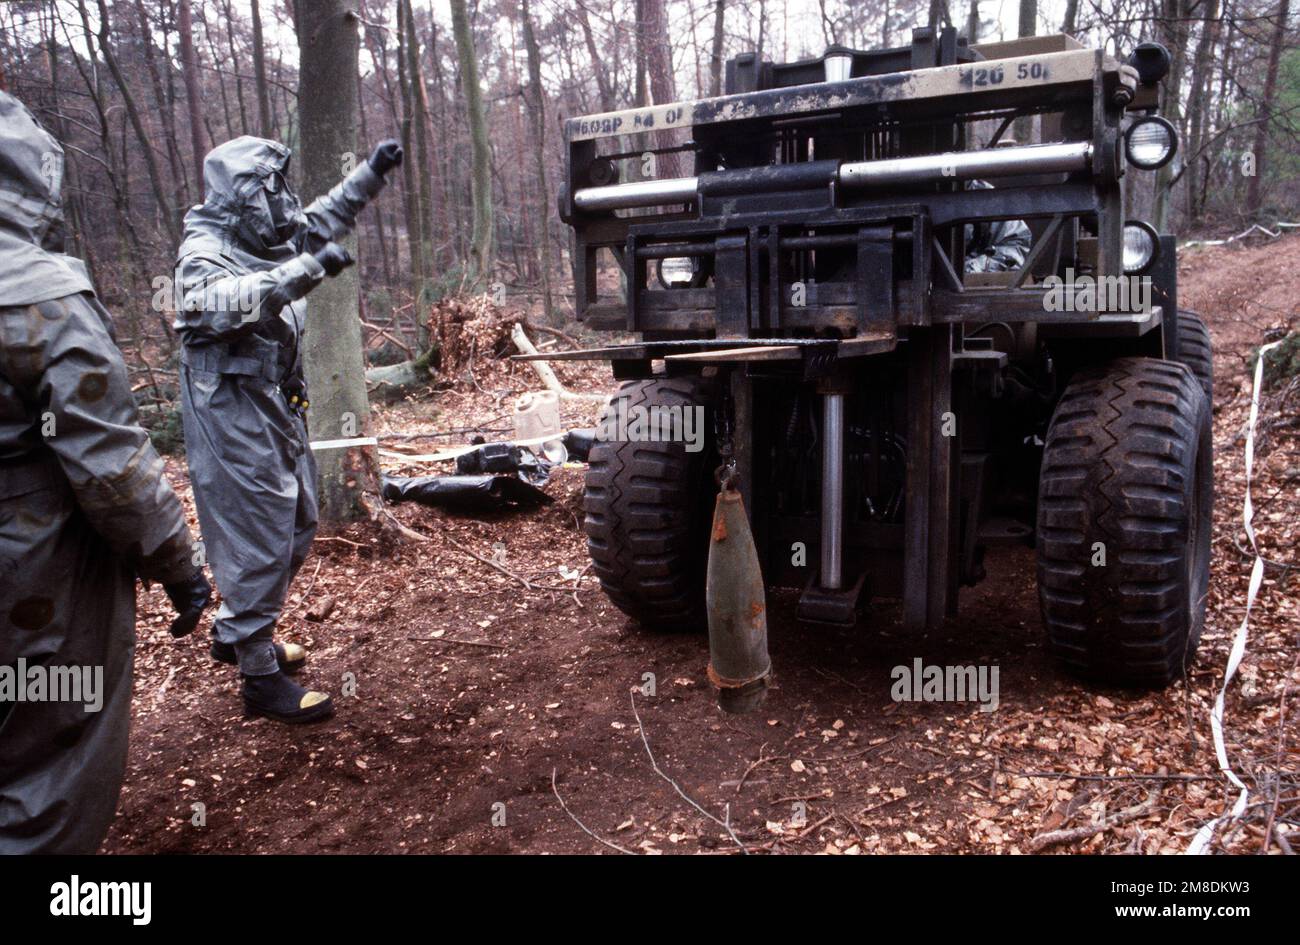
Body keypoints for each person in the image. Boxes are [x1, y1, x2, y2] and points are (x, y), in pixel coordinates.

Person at [0, 92, 211, 853]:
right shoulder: (40, 295)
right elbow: (110, 466)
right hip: (36, 587)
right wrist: (177, 564)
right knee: (46, 766)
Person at [174, 136, 401, 724]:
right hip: (228, 407)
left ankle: (238, 633)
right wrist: (304, 271)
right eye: (268, 189)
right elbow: (221, 303)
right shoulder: (205, 251)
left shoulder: (267, 233)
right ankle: (258, 676)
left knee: (298, 521)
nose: (281, 202)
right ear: (244, 195)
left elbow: (321, 219)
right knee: (258, 535)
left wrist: (370, 174)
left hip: (275, 400)